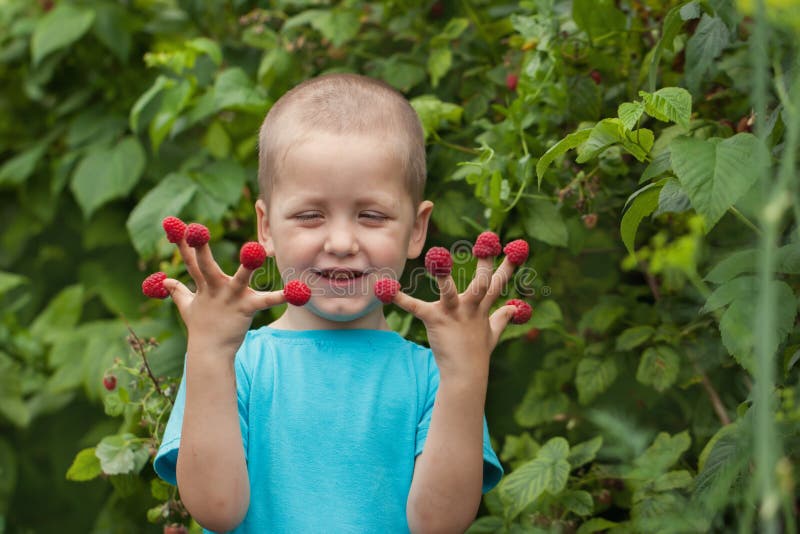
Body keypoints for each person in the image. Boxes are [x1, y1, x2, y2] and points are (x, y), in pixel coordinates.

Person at [153, 73, 527, 533]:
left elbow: (440, 524)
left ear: (416, 229)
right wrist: (208, 351)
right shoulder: (233, 363)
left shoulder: (437, 375)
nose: (343, 241)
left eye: (371, 216)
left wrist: (468, 375)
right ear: (265, 228)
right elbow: (216, 509)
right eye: (310, 215)